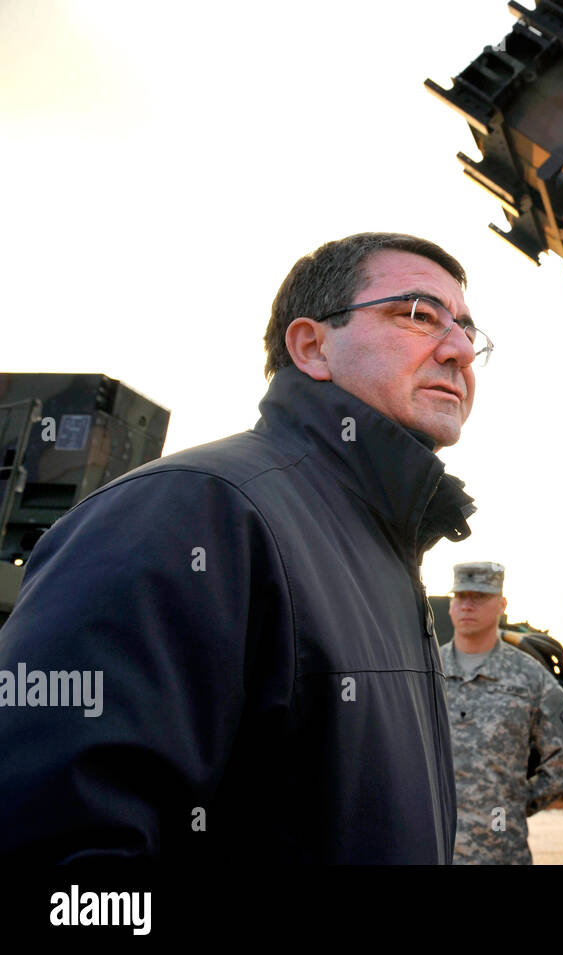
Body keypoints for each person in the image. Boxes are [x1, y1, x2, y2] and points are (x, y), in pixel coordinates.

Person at [0, 232, 490, 863]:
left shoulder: (378, 547)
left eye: (468, 332)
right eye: (418, 316)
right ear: (311, 345)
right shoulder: (192, 512)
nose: (458, 351)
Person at [439, 561, 563, 865]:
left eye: (479, 597)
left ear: (502, 604)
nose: (467, 605)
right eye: (461, 596)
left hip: (500, 850)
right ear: (451, 605)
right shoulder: (427, 673)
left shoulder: (530, 677)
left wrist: (517, 800)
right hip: (434, 847)